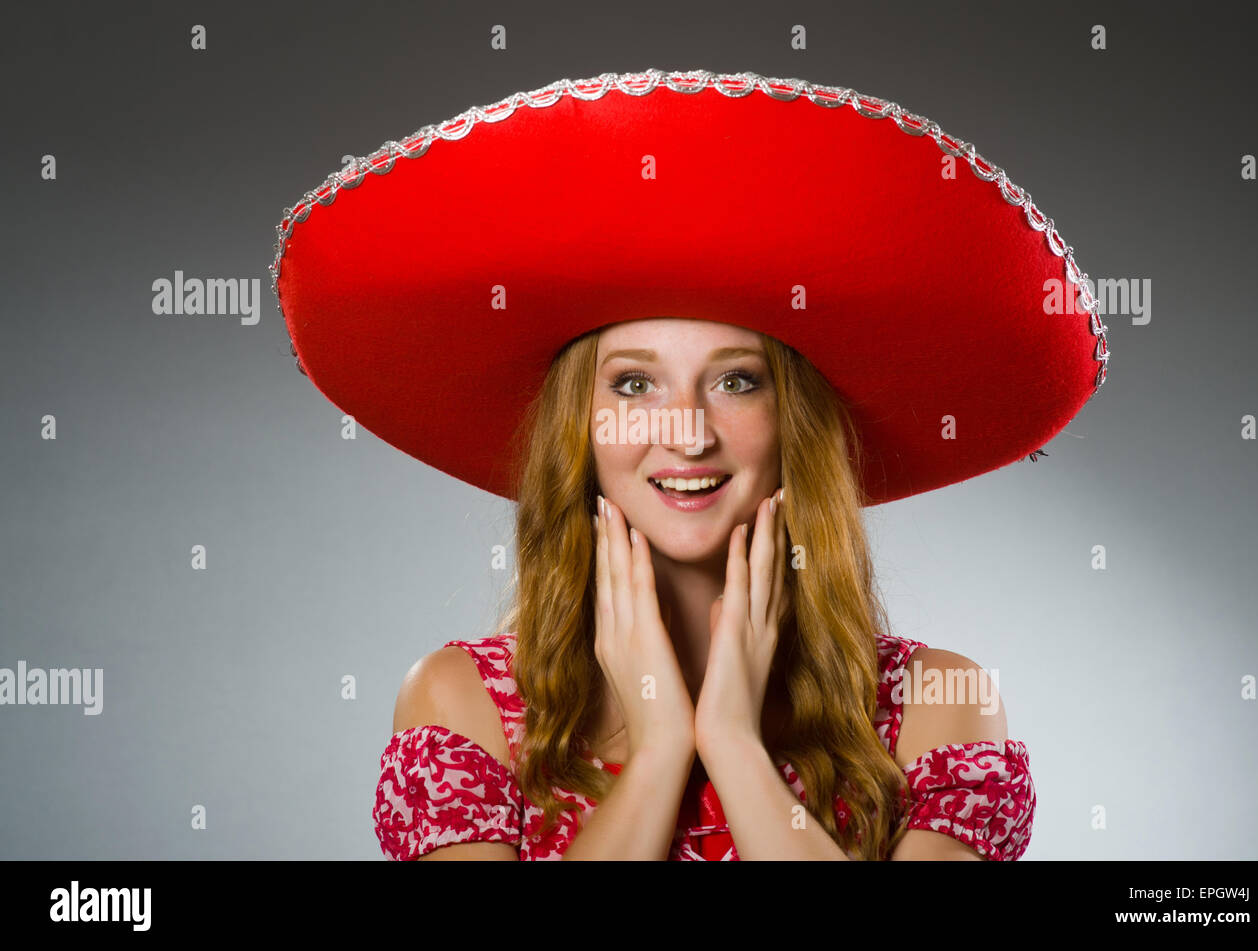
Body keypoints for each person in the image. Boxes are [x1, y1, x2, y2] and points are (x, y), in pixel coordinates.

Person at [268, 68, 1110, 860]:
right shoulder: (462, 703)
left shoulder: (940, 706)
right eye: (634, 383)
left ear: (794, 427)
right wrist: (664, 742)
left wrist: (734, 745)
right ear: (582, 427)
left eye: (737, 381)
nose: (686, 432)